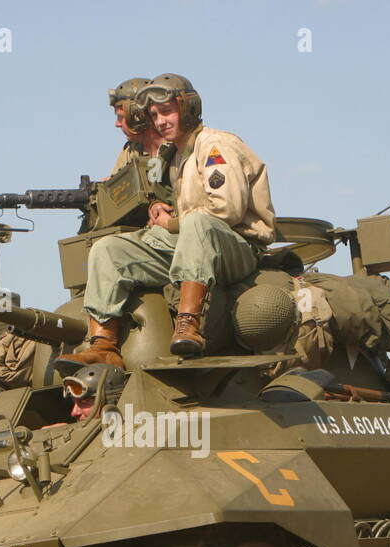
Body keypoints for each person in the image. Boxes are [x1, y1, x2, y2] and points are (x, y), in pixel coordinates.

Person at [59, 74, 275, 370]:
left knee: (199, 224)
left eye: (167, 112)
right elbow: (189, 208)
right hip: (196, 244)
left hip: (237, 248)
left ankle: (188, 325)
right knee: (109, 249)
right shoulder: (176, 157)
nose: (160, 121)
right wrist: (162, 209)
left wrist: (173, 224)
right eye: (154, 115)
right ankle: (104, 345)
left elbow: (227, 211)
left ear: (188, 109)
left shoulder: (214, 146)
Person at [107, 77, 165, 178]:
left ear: (138, 116)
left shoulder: (177, 146)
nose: (117, 124)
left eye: (121, 117)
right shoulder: (131, 151)